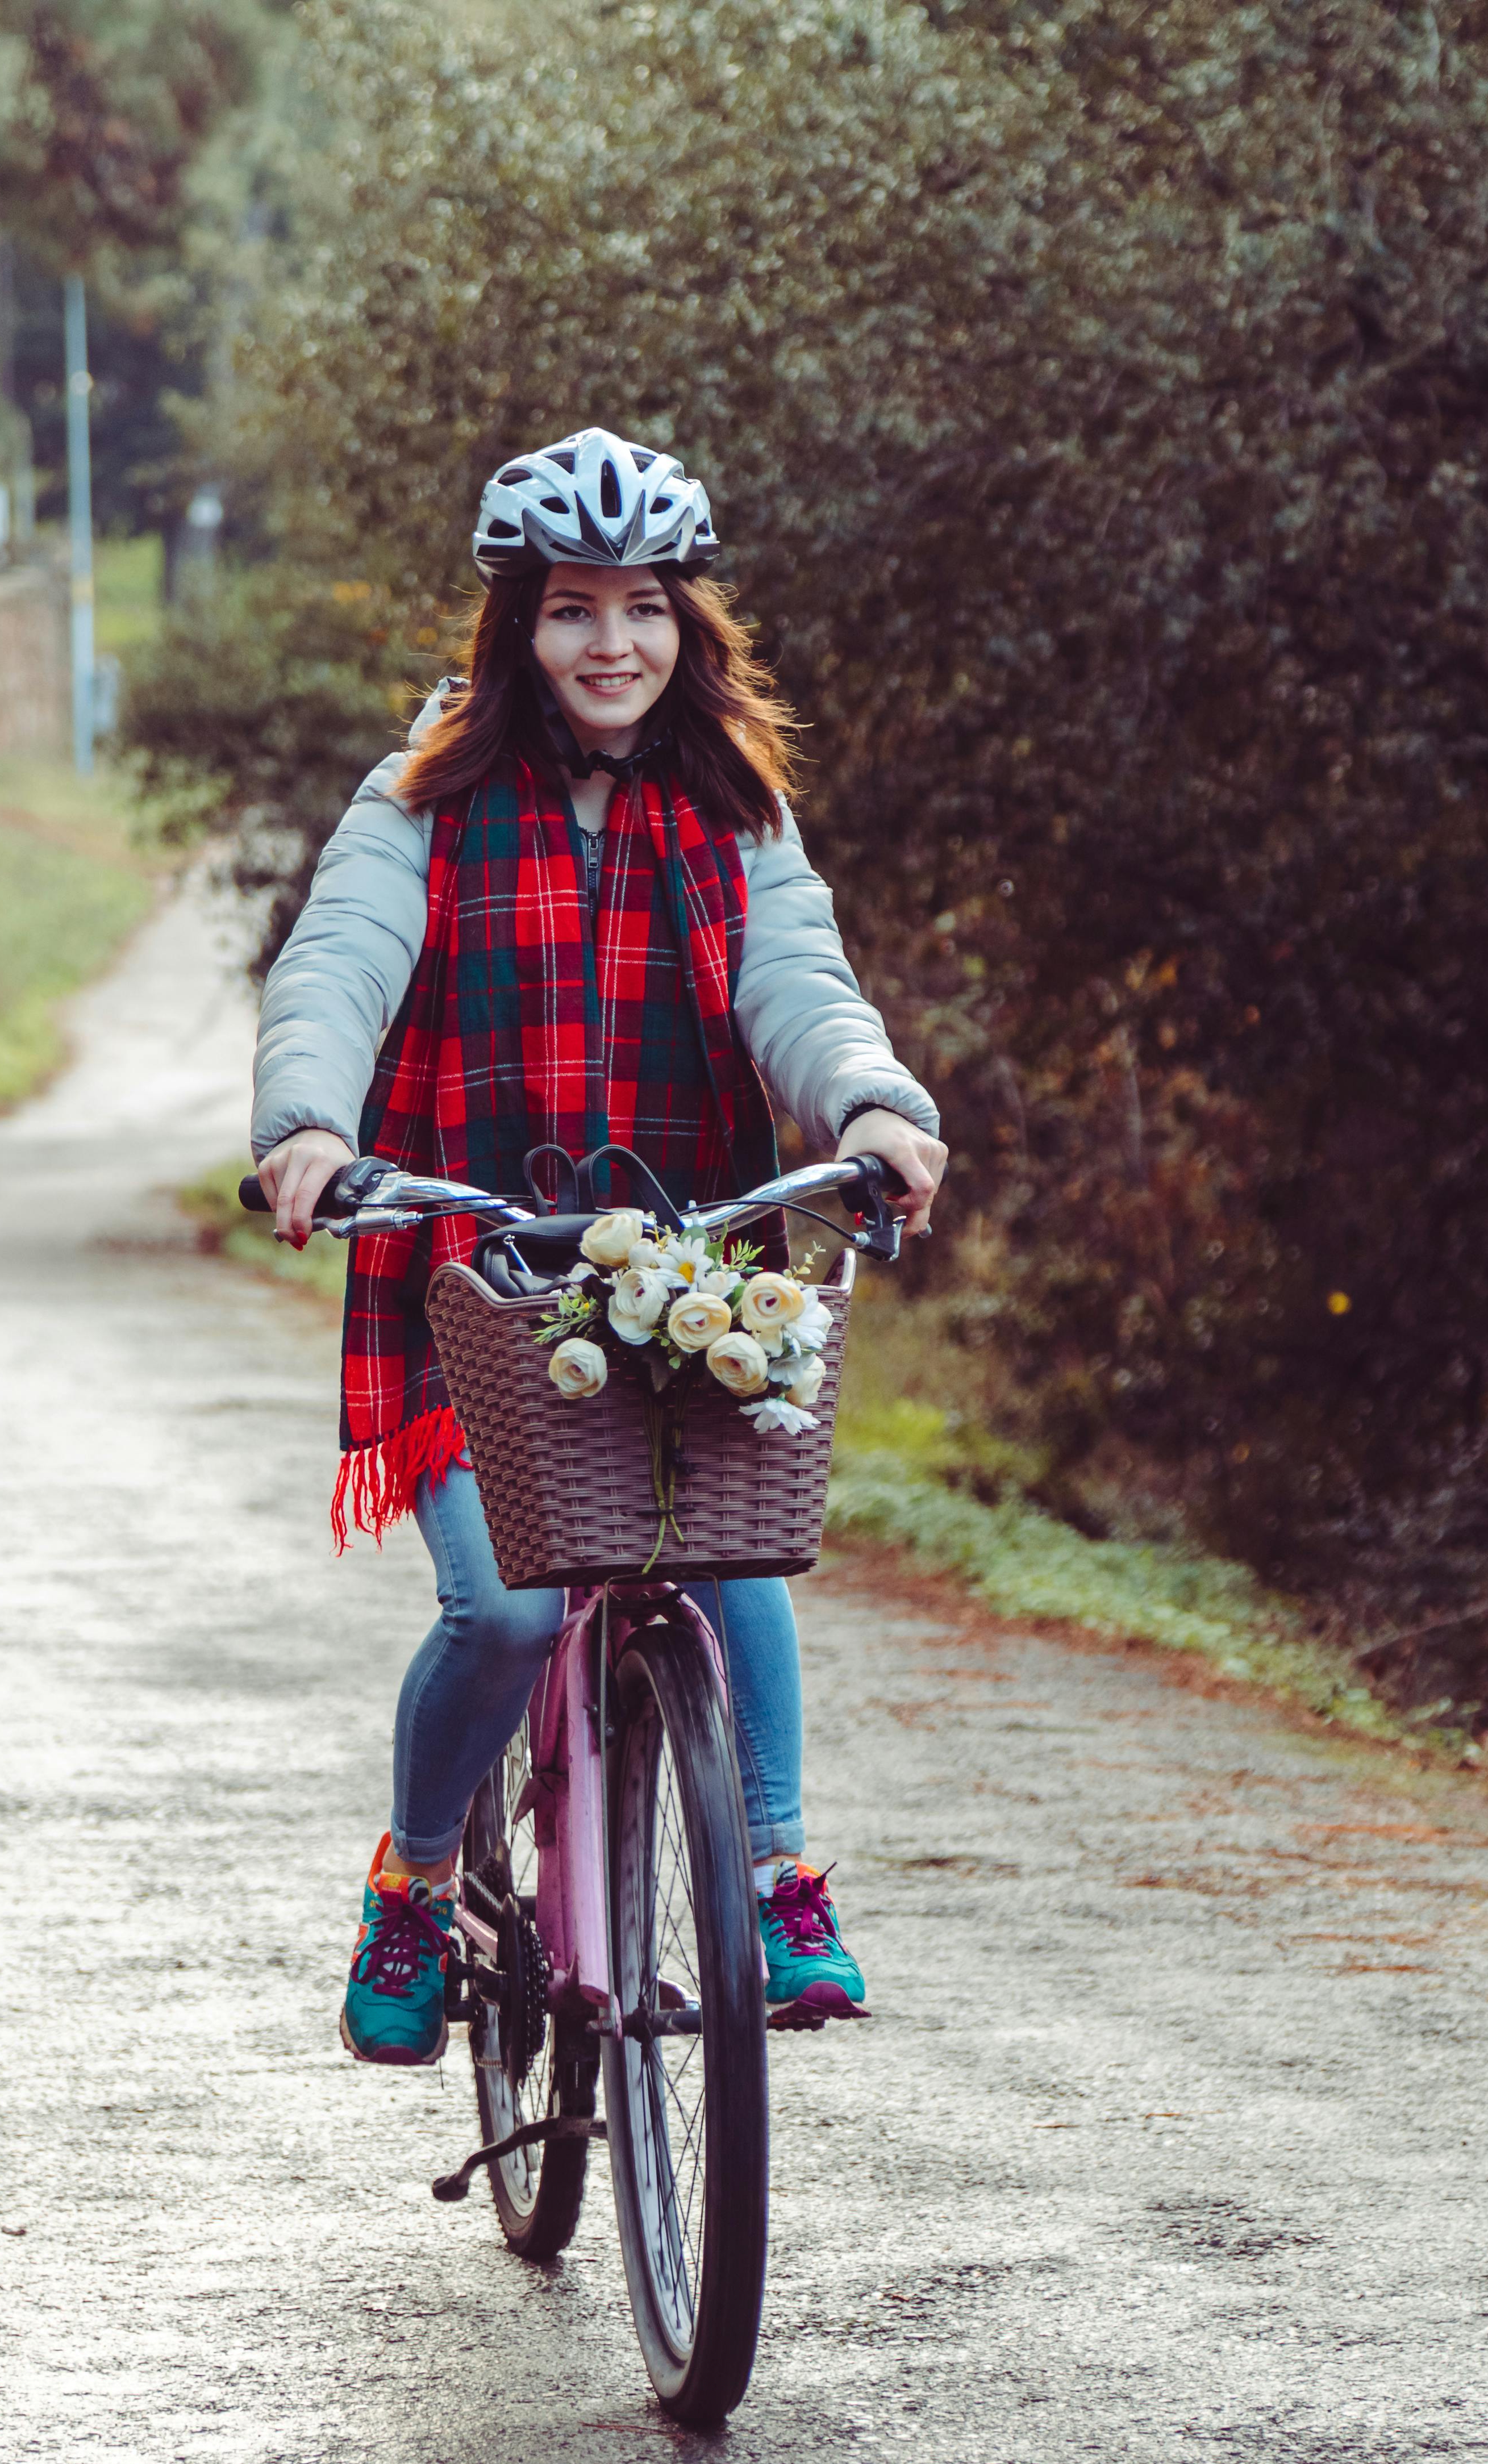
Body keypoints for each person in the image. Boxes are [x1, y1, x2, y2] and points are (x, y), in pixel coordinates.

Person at [249, 427, 951, 2066]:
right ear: (520, 626)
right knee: (499, 1610)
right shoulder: (425, 794)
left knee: (724, 1545)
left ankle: (779, 1876)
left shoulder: (735, 802)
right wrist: (308, 1129)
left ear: (688, 623)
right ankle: (418, 1883)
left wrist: (871, 1103)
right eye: (574, 609)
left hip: (688, 1253)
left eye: (643, 606)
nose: (611, 643)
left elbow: (800, 980)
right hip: (475, 1262)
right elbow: (342, 958)